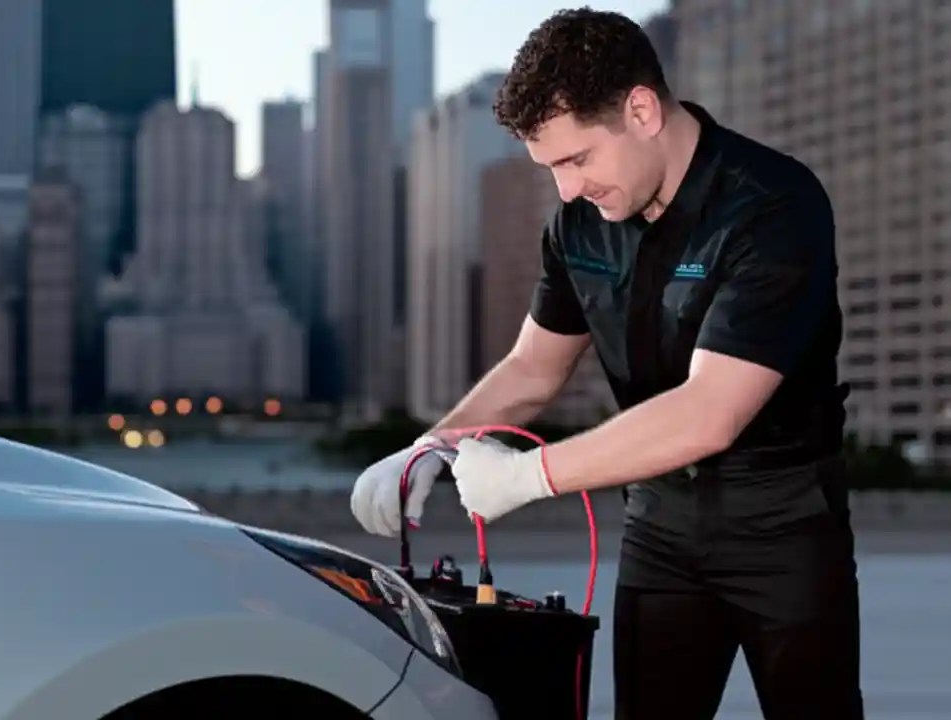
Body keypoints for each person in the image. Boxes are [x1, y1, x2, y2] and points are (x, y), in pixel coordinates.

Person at [349, 8, 864, 720]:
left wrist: (529, 475)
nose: (565, 189)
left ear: (643, 110)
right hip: (659, 528)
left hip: (784, 526)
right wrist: (434, 444)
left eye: (577, 159)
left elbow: (711, 412)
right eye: (550, 167)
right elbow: (533, 367)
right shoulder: (577, 225)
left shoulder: (772, 205)